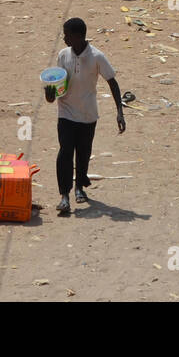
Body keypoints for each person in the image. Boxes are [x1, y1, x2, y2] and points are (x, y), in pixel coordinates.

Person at [44, 17, 125, 215]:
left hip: (88, 114)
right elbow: (58, 86)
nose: (64, 38)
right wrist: (51, 95)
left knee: (83, 153)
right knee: (65, 153)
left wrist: (120, 112)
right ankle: (64, 195)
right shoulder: (63, 55)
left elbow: (112, 82)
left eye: (67, 34)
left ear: (78, 36)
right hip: (66, 112)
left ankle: (80, 186)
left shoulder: (97, 56)